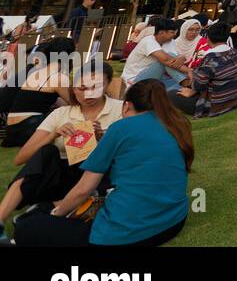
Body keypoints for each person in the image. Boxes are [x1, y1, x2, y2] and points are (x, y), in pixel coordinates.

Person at [13, 79, 192, 247]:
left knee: (26, 228)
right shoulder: (177, 124)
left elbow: (83, 190)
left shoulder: (121, 127)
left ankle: (42, 214)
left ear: (127, 105)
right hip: (174, 221)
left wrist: (56, 215)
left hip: (127, 233)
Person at [0, 61, 121, 244]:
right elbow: (21, 158)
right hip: (64, 175)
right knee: (46, 152)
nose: (88, 94)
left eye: (95, 87)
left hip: (99, 177)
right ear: (73, 89)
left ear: (107, 84)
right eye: (81, 88)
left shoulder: (121, 109)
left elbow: (134, 151)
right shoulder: (61, 113)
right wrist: (54, 134)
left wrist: (103, 138)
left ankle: (46, 210)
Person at [172, 20, 237, 118]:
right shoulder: (236, 53)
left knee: (170, 94)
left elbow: (199, 85)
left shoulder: (212, 58)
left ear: (208, 38)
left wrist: (191, 90)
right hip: (231, 100)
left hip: (213, 104)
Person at [120, 19, 190, 93]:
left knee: (180, 87)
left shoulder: (170, 42)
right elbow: (166, 60)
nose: (174, 35)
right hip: (135, 80)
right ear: (161, 32)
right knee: (165, 60)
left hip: (156, 77)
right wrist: (188, 70)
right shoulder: (148, 41)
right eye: (172, 32)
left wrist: (182, 57)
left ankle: (185, 84)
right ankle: (185, 82)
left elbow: (176, 60)